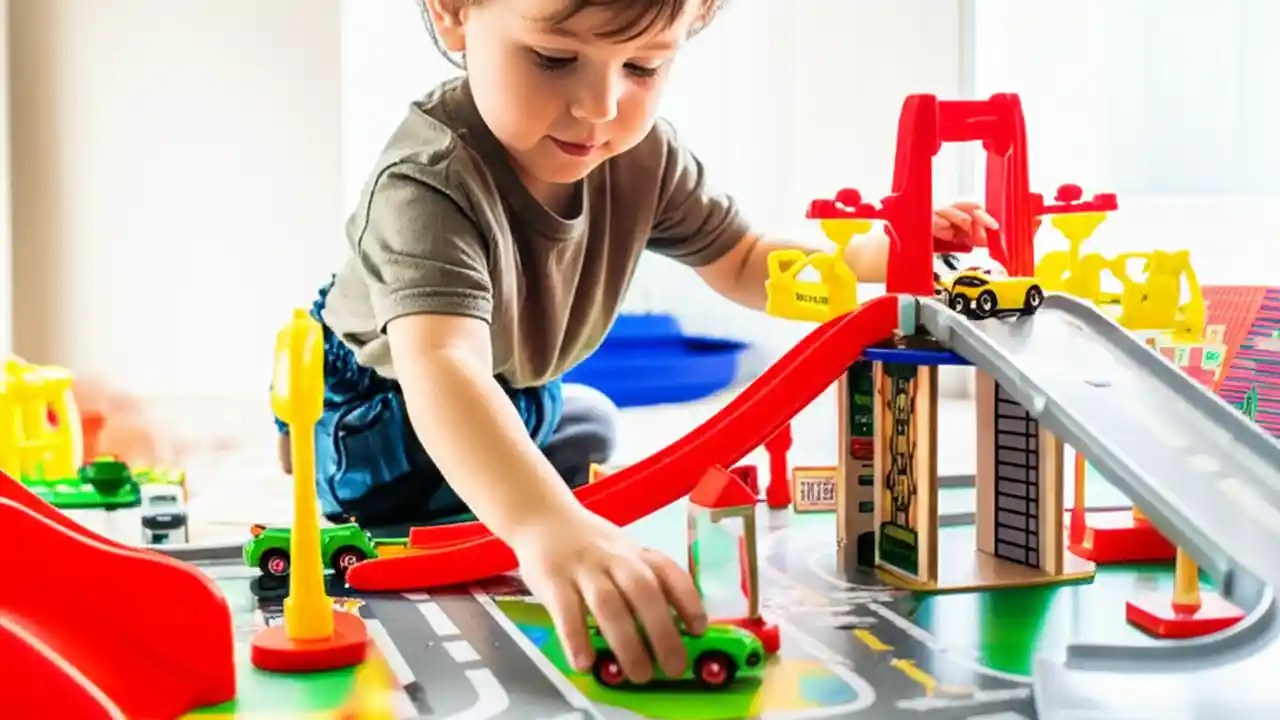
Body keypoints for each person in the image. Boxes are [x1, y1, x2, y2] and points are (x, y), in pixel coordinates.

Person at [276, 0, 996, 686]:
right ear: (455, 10)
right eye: (555, 58)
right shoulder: (426, 185)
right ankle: (313, 453)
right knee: (442, 504)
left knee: (592, 425)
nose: (601, 106)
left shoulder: (643, 157)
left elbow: (745, 260)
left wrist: (879, 256)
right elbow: (442, 365)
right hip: (387, 403)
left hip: (511, 383)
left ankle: (506, 478)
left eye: (643, 67)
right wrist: (544, 528)